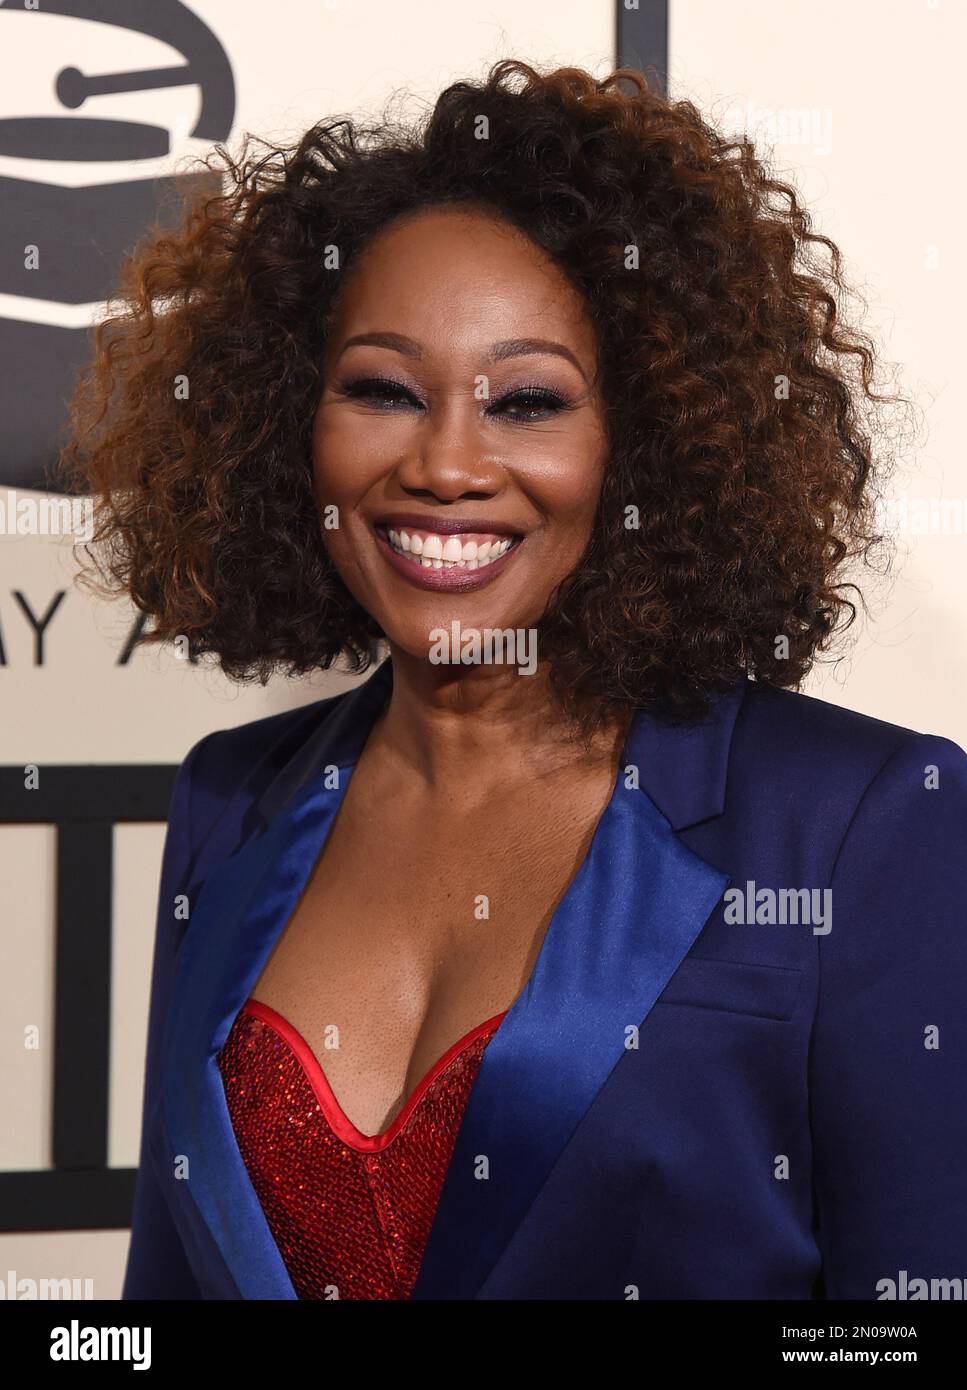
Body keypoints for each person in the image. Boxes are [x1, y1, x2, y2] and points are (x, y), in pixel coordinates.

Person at [61, 59, 967, 1301]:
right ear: (289, 422)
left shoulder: (861, 820)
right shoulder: (230, 803)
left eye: (527, 402)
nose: (444, 464)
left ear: (639, 440)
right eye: (383, 390)